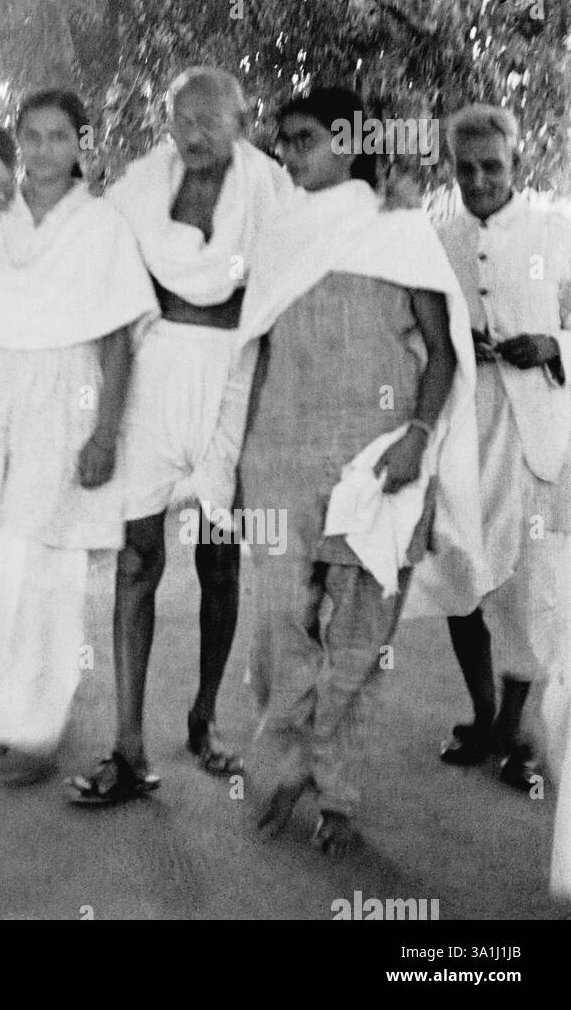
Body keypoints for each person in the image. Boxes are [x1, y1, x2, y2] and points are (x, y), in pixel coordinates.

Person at [233, 88, 482, 855]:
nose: (288, 153)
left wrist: (416, 437)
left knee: (359, 637)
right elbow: (255, 351)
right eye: (282, 141)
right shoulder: (278, 231)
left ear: (348, 142)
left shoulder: (398, 229)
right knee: (278, 624)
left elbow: (441, 353)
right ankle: (288, 758)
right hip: (280, 456)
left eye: (304, 138)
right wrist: (237, 463)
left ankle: (335, 793)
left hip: (377, 460)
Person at [68, 67, 293, 806]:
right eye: (179, 118)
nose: (192, 134)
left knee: (219, 562)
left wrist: (263, 421)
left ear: (243, 118)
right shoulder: (139, 187)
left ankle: (203, 719)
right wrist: (103, 423)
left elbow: (281, 303)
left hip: (232, 378)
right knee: (137, 558)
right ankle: (127, 747)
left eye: (209, 119)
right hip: (154, 369)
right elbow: (107, 286)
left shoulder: (269, 191)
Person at [0, 91, 154, 785]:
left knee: (40, 569)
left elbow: (120, 338)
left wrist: (105, 433)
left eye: (57, 136)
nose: (41, 150)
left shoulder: (100, 226)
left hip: (65, 399)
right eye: (29, 136)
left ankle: (36, 730)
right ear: (17, 143)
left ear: (79, 143)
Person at [434, 104, 571, 791]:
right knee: (462, 577)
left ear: (516, 165)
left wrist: (554, 345)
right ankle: (482, 713)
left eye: (492, 166)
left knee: (523, 583)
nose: (479, 179)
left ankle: (515, 729)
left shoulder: (554, 229)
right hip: (463, 426)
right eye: (465, 168)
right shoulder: (439, 237)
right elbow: (419, 336)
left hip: (533, 434)